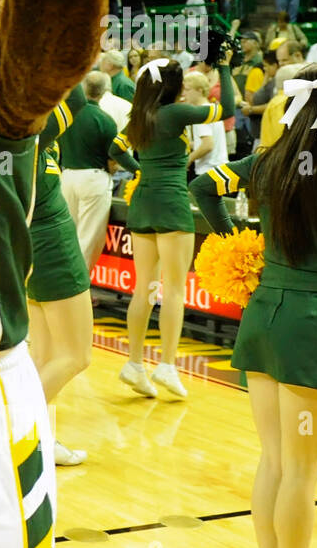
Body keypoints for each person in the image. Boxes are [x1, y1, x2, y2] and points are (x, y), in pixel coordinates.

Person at [190, 63, 317, 548]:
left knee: (276, 461)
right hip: (310, 327)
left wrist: (238, 241)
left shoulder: (269, 162)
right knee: (302, 473)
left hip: (263, 318)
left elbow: (203, 185)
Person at [109, 46, 236, 398]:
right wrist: (224, 69)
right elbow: (226, 110)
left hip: (143, 203)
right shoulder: (176, 112)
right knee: (175, 287)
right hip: (171, 201)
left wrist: (140, 171)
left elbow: (115, 149)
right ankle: (166, 364)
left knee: (144, 287)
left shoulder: (139, 116)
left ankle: (134, 363)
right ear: (171, 86)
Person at [26, 83, 93, 466]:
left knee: (45, 354)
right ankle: (9, 431)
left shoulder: (15, 124)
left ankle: (38, 441)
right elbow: (79, 97)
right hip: (51, 239)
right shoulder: (27, 127)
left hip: (37, 238)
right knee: (76, 355)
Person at [60, 71, 121, 273]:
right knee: (88, 239)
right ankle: (80, 288)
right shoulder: (105, 120)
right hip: (93, 178)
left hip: (66, 176)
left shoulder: (68, 115)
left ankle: (64, 285)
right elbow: (114, 160)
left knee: (67, 234)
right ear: (104, 91)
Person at [183, 71, 228, 176]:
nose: (184, 93)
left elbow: (208, 145)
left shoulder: (201, 113)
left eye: (187, 89)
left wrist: (188, 160)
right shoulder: (212, 109)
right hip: (220, 170)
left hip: (208, 171)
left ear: (199, 90)